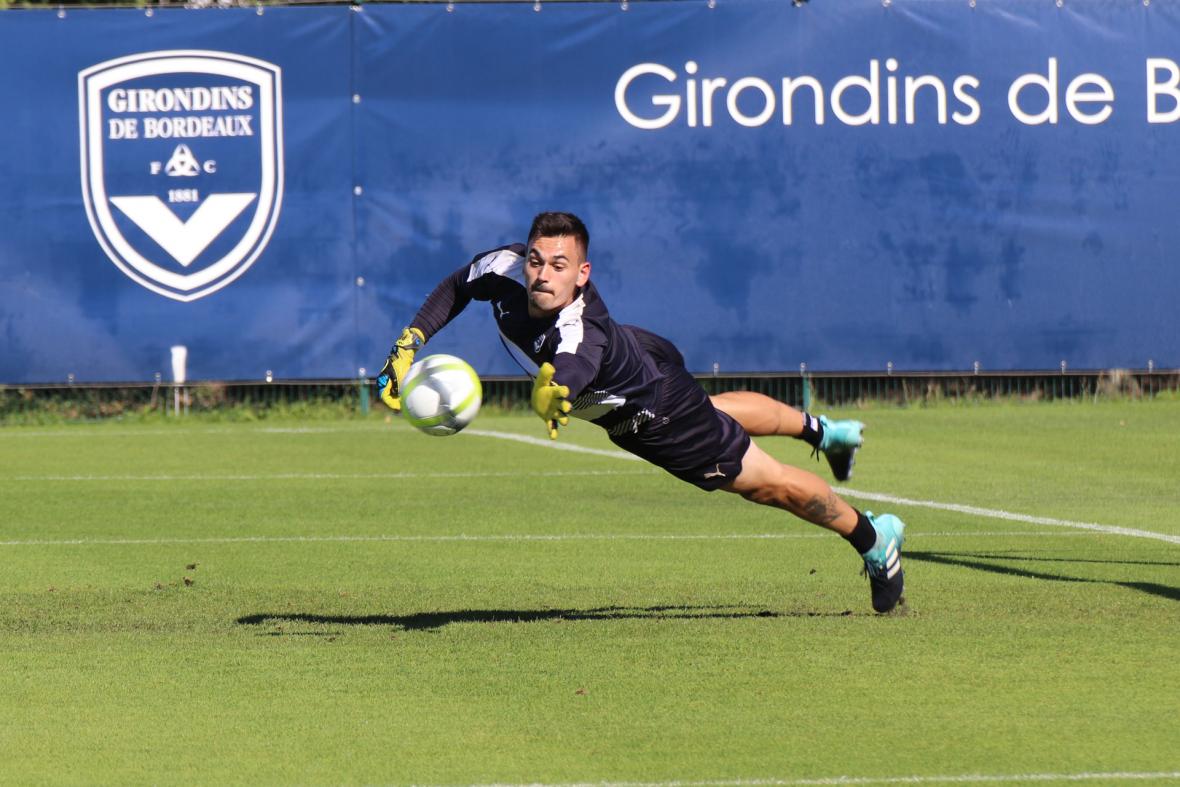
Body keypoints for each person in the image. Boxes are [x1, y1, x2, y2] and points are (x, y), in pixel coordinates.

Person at [377, 212, 906, 613]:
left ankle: (872, 537)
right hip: (643, 355)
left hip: (655, 415)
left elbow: (571, 370)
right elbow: (456, 285)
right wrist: (408, 344)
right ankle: (827, 431)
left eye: (559, 266)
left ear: (581, 273)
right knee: (716, 410)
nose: (542, 274)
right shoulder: (507, 266)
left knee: (764, 482)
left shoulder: (581, 332)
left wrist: (551, 394)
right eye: (537, 260)